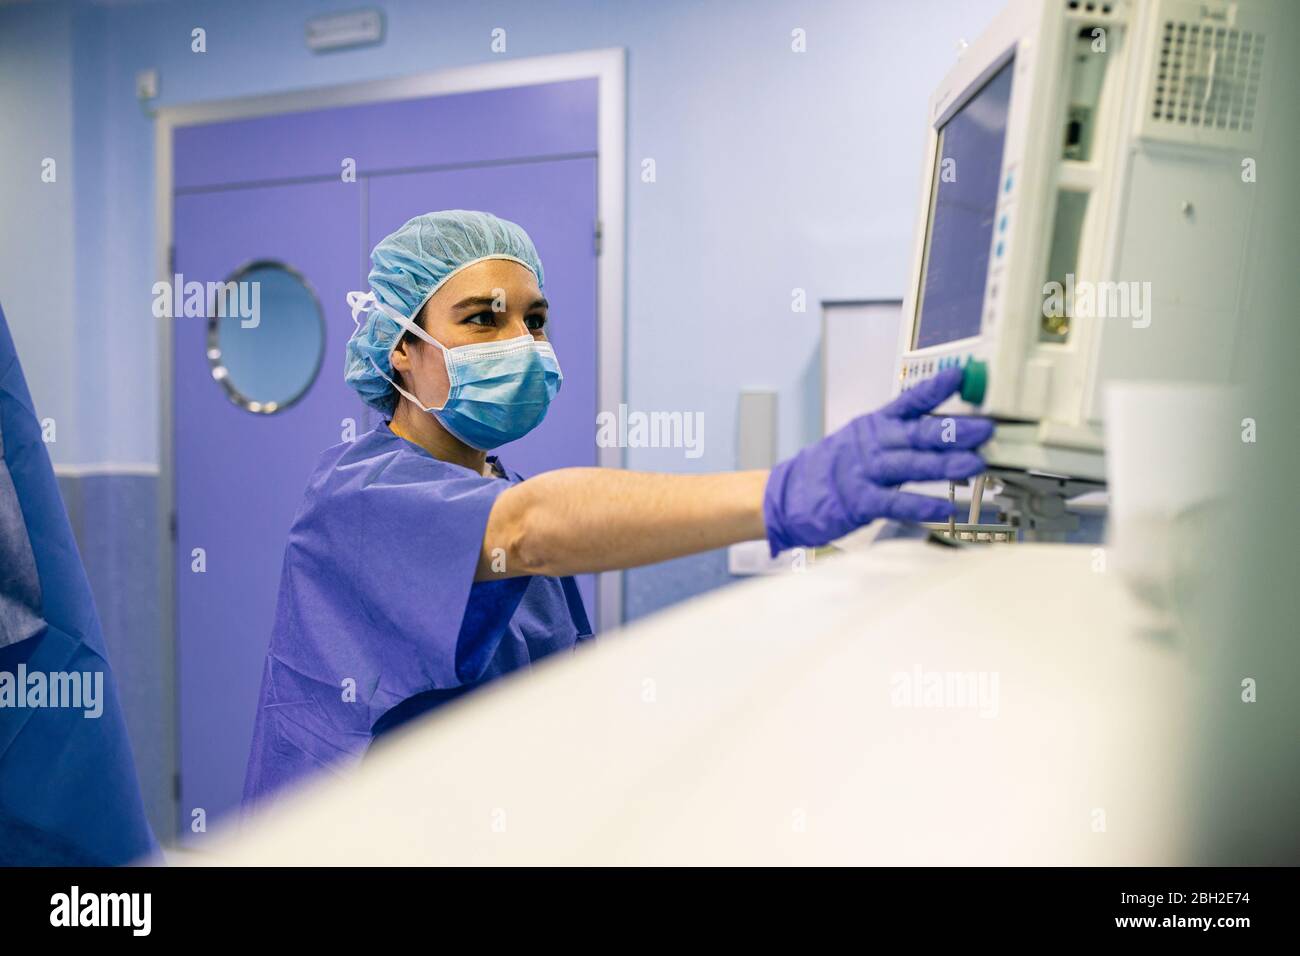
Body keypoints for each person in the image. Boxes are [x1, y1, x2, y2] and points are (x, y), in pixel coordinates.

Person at [242, 210, 992, 806]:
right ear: (400, 348)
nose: (522, 343)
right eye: (481, 320)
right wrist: (781, 495)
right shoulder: (359, 497)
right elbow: (532, 530)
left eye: (533, 321)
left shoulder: (490, 484)